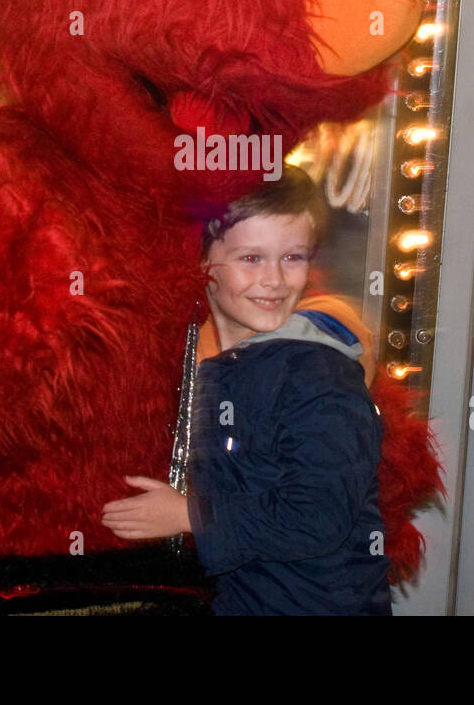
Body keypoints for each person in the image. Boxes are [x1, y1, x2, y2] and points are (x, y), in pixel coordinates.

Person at [100, 166, 391, 615]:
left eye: (293, 257)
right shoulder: (220, 363)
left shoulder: (318, 374)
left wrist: (187, 516)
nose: (274, 279)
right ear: (201, 260)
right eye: (251, 259)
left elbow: (318, 515)